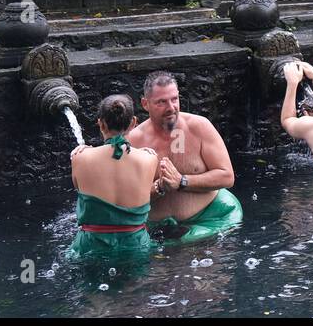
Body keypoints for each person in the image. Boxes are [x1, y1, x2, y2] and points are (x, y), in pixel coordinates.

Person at [126, 71, 242, 244]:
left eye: (174, 99)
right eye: (161, 102)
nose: (171, 107)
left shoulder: (200, 127)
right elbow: (124, 197)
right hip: (155, 228)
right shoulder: (133, 141)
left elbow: (227, 176)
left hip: (210, 219)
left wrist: (182, 181)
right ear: (145, 104)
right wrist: (159, 188)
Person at [66, 94, 159, 259]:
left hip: (92, 246)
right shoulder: (150, 159)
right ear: (133, 123)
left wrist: (85, 151)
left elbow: (78, 188)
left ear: (101, 124)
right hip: (135, 245)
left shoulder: (80, 158)